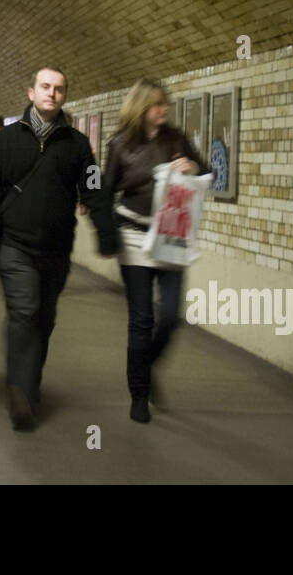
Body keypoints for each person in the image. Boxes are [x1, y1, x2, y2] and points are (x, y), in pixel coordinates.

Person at [0, 67, 119, 431]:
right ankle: (20, 393)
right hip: (14, 245)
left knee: (44, 319)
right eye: (45, 87)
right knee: (24, 310)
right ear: (31, 92)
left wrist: (106, 232)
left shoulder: (77, 145)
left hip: (55, 249)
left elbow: (94, 189)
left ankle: (27, 379)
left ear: (64, 96)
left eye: (58, 89)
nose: (51, 93)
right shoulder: (6, 140)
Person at [105, 79, 206, 423]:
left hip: (171, 235)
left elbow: (207, 171)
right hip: (132, 237)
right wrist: (103, 232)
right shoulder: (120, 144)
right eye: (157, 104)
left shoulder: (177, 139)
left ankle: (144, 367)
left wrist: (192, 168)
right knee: (142, 318)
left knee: (172, 316)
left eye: (166, 104)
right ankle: (139, 395)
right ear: (140, 107)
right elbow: (106, 189)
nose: (164, 110)